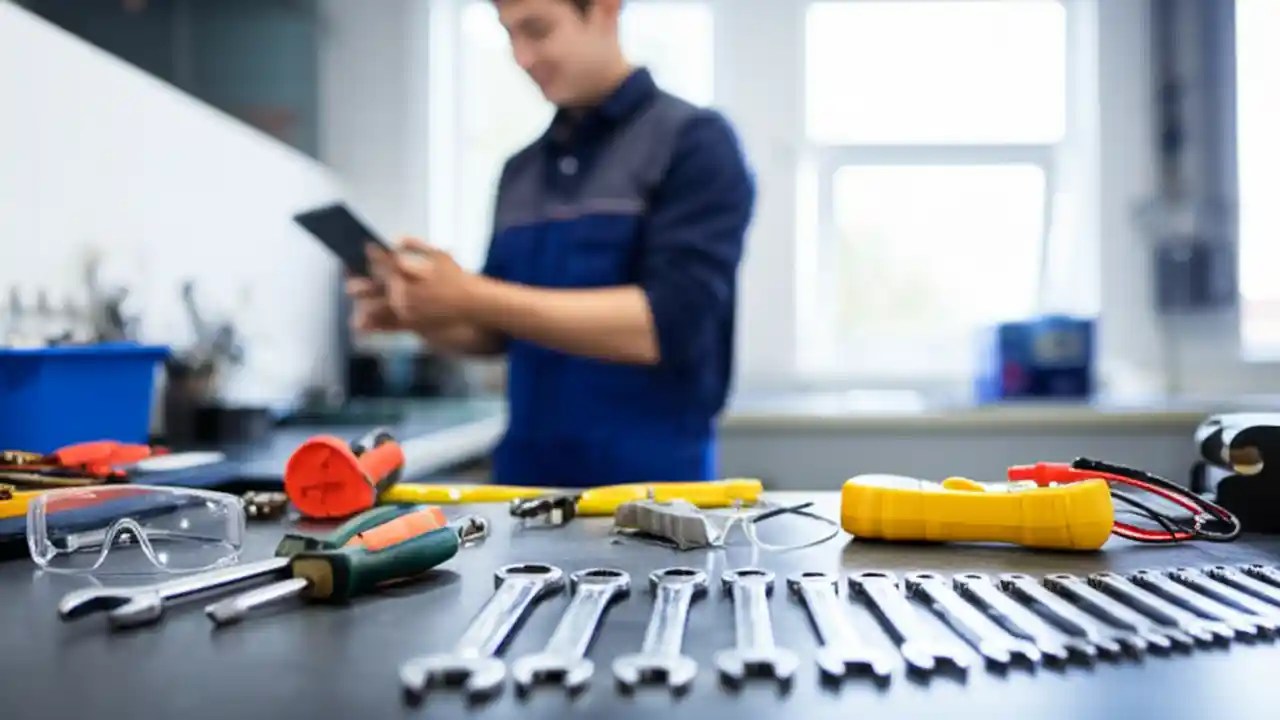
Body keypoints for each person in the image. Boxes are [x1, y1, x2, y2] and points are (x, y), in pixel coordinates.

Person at [346, 0, 754, 486]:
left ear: (605, 11)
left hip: (654, 484)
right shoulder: (520, 172)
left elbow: (665, 326)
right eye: (510, 34)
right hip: (525, 481)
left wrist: (470, 294)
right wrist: (417, 315)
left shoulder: (695, 144)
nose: (521, 56)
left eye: (537, 30)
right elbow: (495, 332)